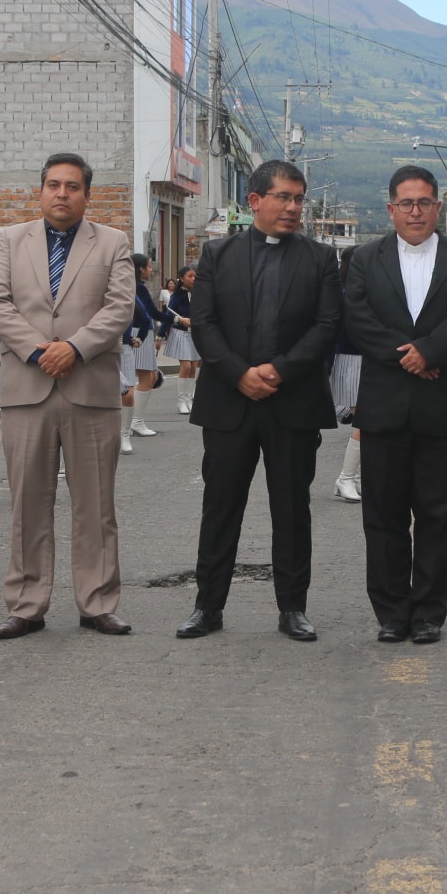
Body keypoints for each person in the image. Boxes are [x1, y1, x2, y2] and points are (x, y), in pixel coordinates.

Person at [179, 160, 341, 642]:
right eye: (283, 197)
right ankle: (208, 606)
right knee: (220, 507)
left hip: (292, 403)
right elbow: (203, 323)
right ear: (255, 201)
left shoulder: (319, 258)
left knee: (292, 509)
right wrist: (239, 373)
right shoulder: (217, 254)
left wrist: (280, 369)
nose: (293, 208)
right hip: (230, 403)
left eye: (298, 199)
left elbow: (327, 325)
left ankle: (293, 607)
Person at [0, 152, 135, 640]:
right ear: (40, 191)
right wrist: (37, 351)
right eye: (53, 185)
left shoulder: (113, 243)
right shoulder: (12, 239)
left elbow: (120, 309)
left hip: (89, 388)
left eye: (72, 186)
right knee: (28, 501)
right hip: (28, 389)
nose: (61, 194)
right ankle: (26, 604)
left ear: (87, 195)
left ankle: (98, 602)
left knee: (95, 504)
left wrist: (74, 348)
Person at [343, 166, 447, 644]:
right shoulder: (365, 258)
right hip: (384, 405)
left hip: (443, 405)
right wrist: (408, 355)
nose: (416, 211)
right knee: (382, 515)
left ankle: (428, 612)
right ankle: (390, 611)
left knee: (437, 513)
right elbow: (356, 316)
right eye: (406, 203)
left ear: (438, 207)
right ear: (391, 209)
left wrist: (430, 350)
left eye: (425, 202)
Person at [330, 246, 364, 504]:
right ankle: (347, 477)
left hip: (363, 359)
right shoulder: (343, 293)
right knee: (366, 420)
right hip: (350, 359)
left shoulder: (358, 291)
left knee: (369, 421)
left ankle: (355, 477)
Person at [120, 253, 163, 447]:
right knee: (146, 378)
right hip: (107, 344)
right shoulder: (131, 288)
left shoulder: (133, 290)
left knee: (137, 385)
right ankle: (128, 425)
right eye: (148, 266)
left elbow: (147, 316)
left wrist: (138, 338)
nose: (151, 269)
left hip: (127, 341)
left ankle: (127, 430)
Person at [166, 264, 200, 414]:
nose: (193, 279)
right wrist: (180, 320)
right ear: (181, 278)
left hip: (194, 334)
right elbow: (168, 315)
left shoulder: (198, 293)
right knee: (186, 367)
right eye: (190, 276)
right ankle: (181, 401)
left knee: (193, 367)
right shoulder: (177, 296)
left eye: (194, 276)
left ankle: (188, 399)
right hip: (180, 333)